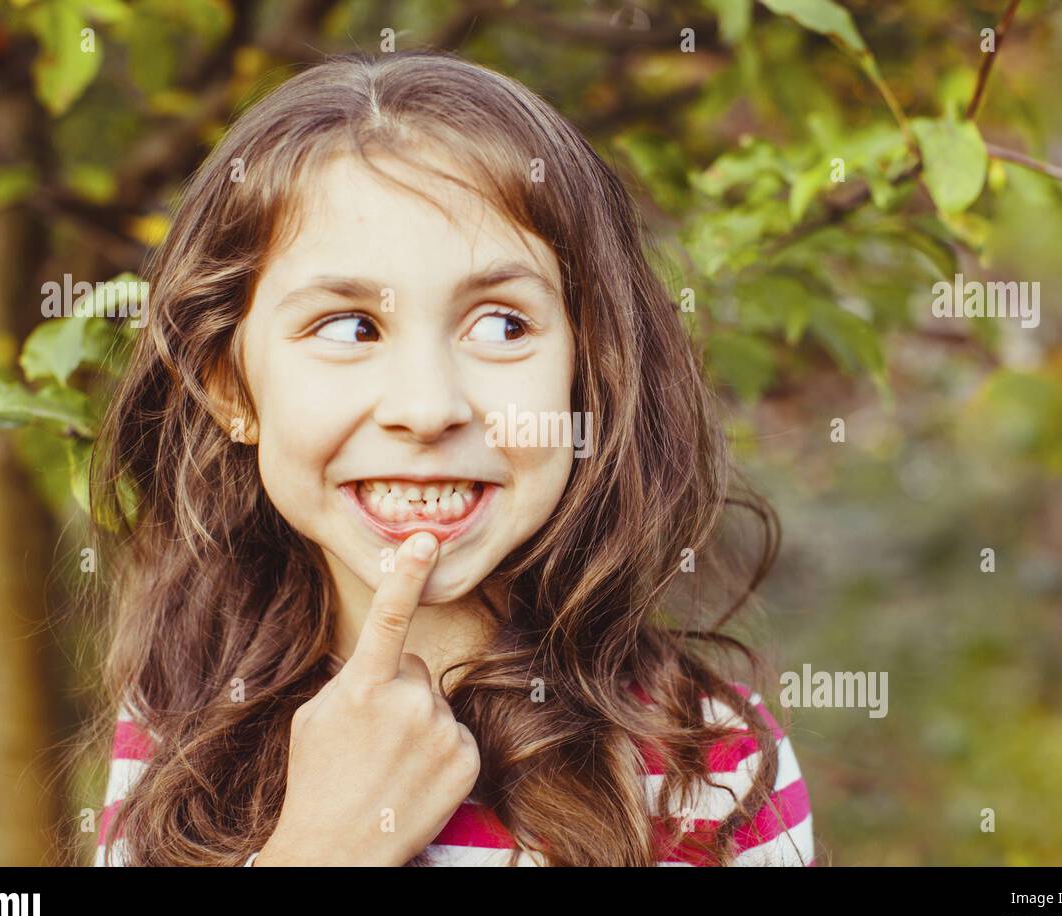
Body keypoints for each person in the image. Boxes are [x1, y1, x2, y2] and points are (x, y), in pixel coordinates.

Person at [89, 49, 814, 867]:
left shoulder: (708, 767)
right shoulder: (178, 726)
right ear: (232, 388)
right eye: (349, 327)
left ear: (590, 377)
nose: (429, 408)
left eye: (503, 326)